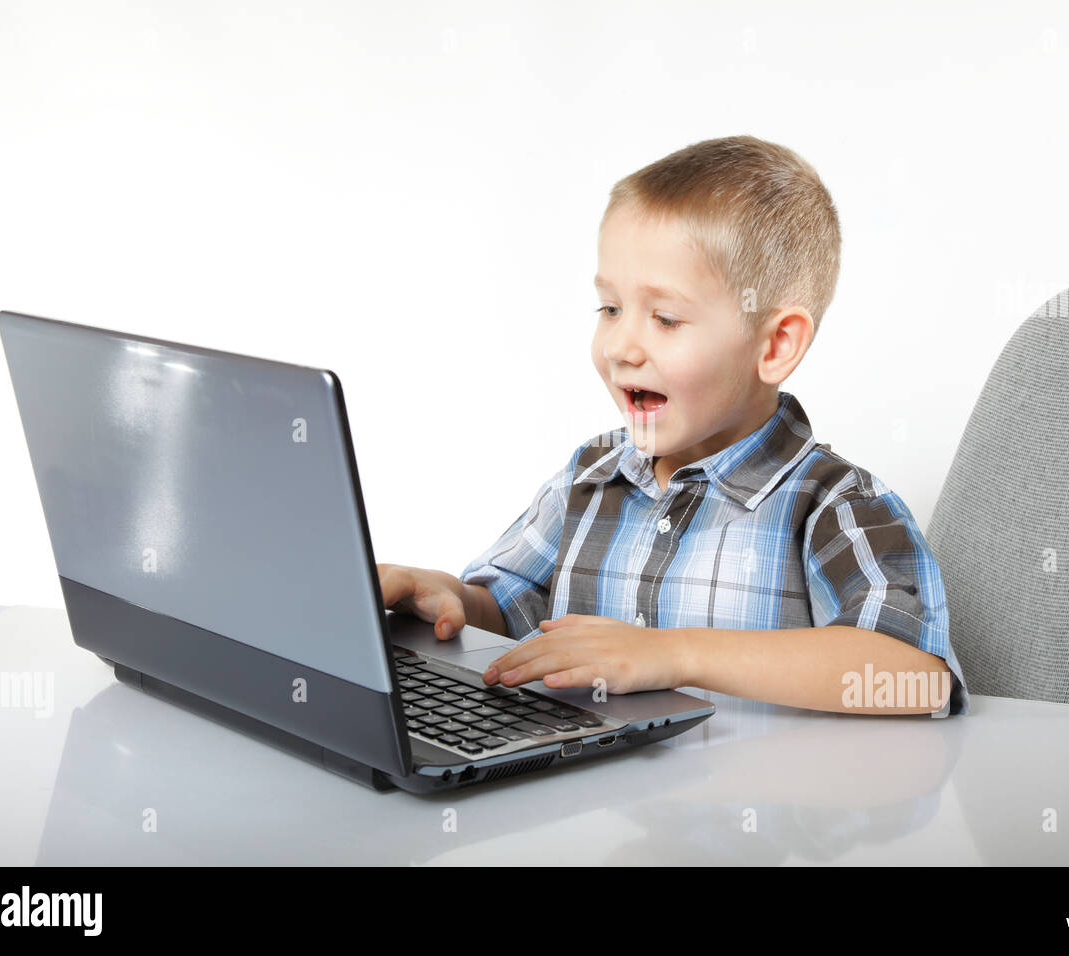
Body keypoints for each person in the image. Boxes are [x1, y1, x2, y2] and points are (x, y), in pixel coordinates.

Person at [378, 135, 969, 717]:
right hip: (596, 805)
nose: (620, 346)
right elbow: (513, 611)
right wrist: (448, 598)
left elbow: (914, 679)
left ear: (775, 344)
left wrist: (673, 653)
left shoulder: (832, 505)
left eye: (664, 318)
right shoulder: (590, 478)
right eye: (609, 308)